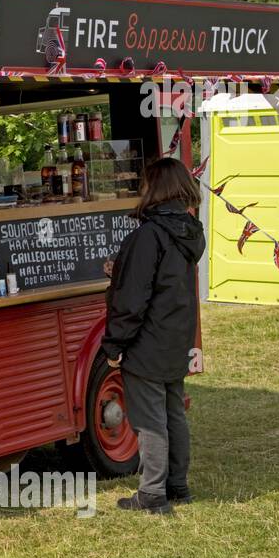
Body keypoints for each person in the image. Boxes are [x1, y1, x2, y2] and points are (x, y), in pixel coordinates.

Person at [102, 157, 206, 515]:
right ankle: (178, 485)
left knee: (149, 419)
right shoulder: (189, 230)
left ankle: (152, 494)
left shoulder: (148, 235)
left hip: (148, 339)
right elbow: (163, 281)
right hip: (177, 334)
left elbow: (133, 298)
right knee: (173, 412)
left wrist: (115, 344)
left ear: (154, 188)